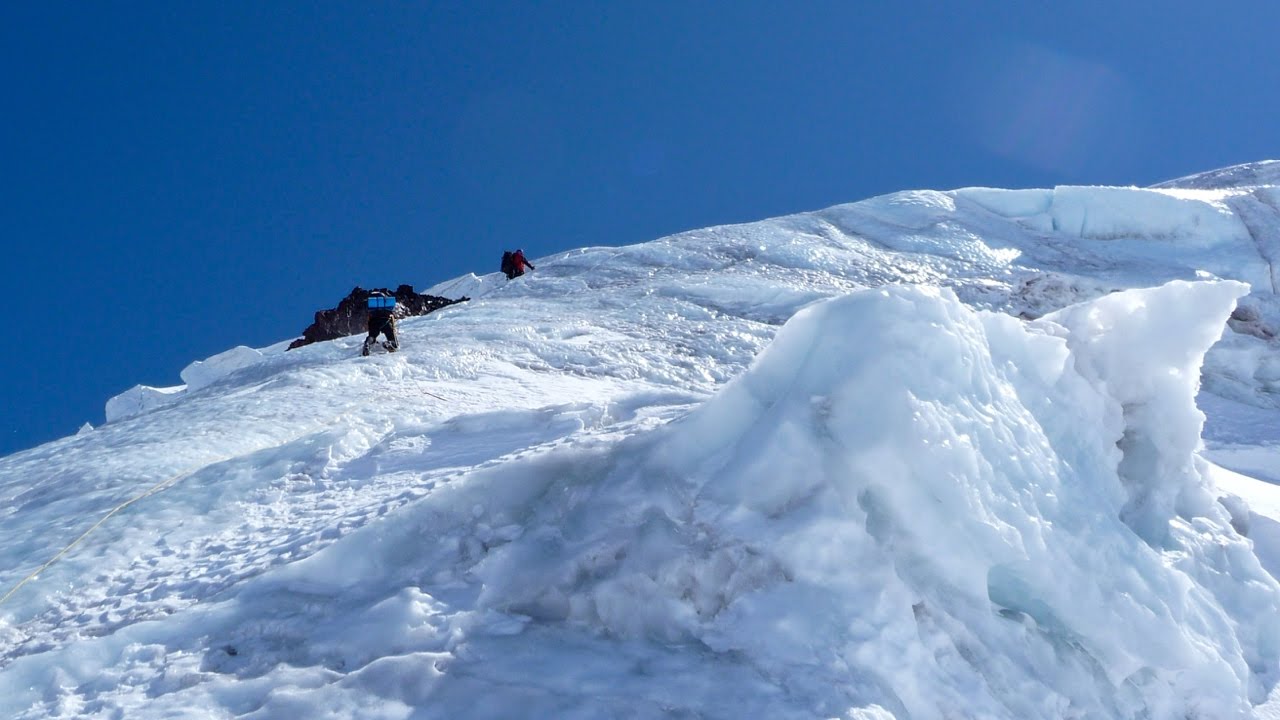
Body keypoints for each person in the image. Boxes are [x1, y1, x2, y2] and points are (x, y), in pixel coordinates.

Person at [362, 291, 399, 355]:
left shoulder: (372, 305)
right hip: (386, 321)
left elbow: (369, 316)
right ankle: (390, 343)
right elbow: (391, 315)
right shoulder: (386, 304)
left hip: (374, 321)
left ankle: (368, 344)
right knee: (390, 335)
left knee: (372, 335)